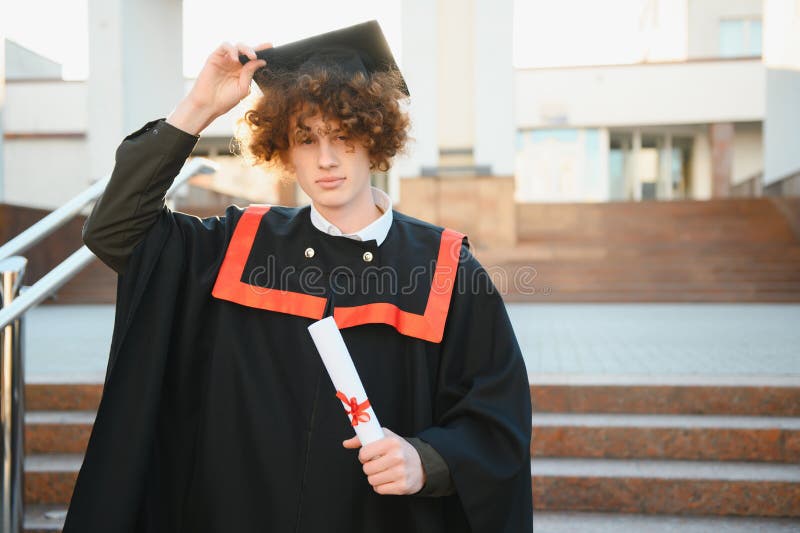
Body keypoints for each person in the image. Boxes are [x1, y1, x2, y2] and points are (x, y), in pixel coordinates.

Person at [63, 20, 532, 533]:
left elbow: (497, 421)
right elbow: (114, 230)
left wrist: (427, 460)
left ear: (375, 139)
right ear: (283, 149)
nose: (326, 159)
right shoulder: (238, 245)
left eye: (344, 135)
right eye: (305, 139)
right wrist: (198, 107)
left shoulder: (443, 267)